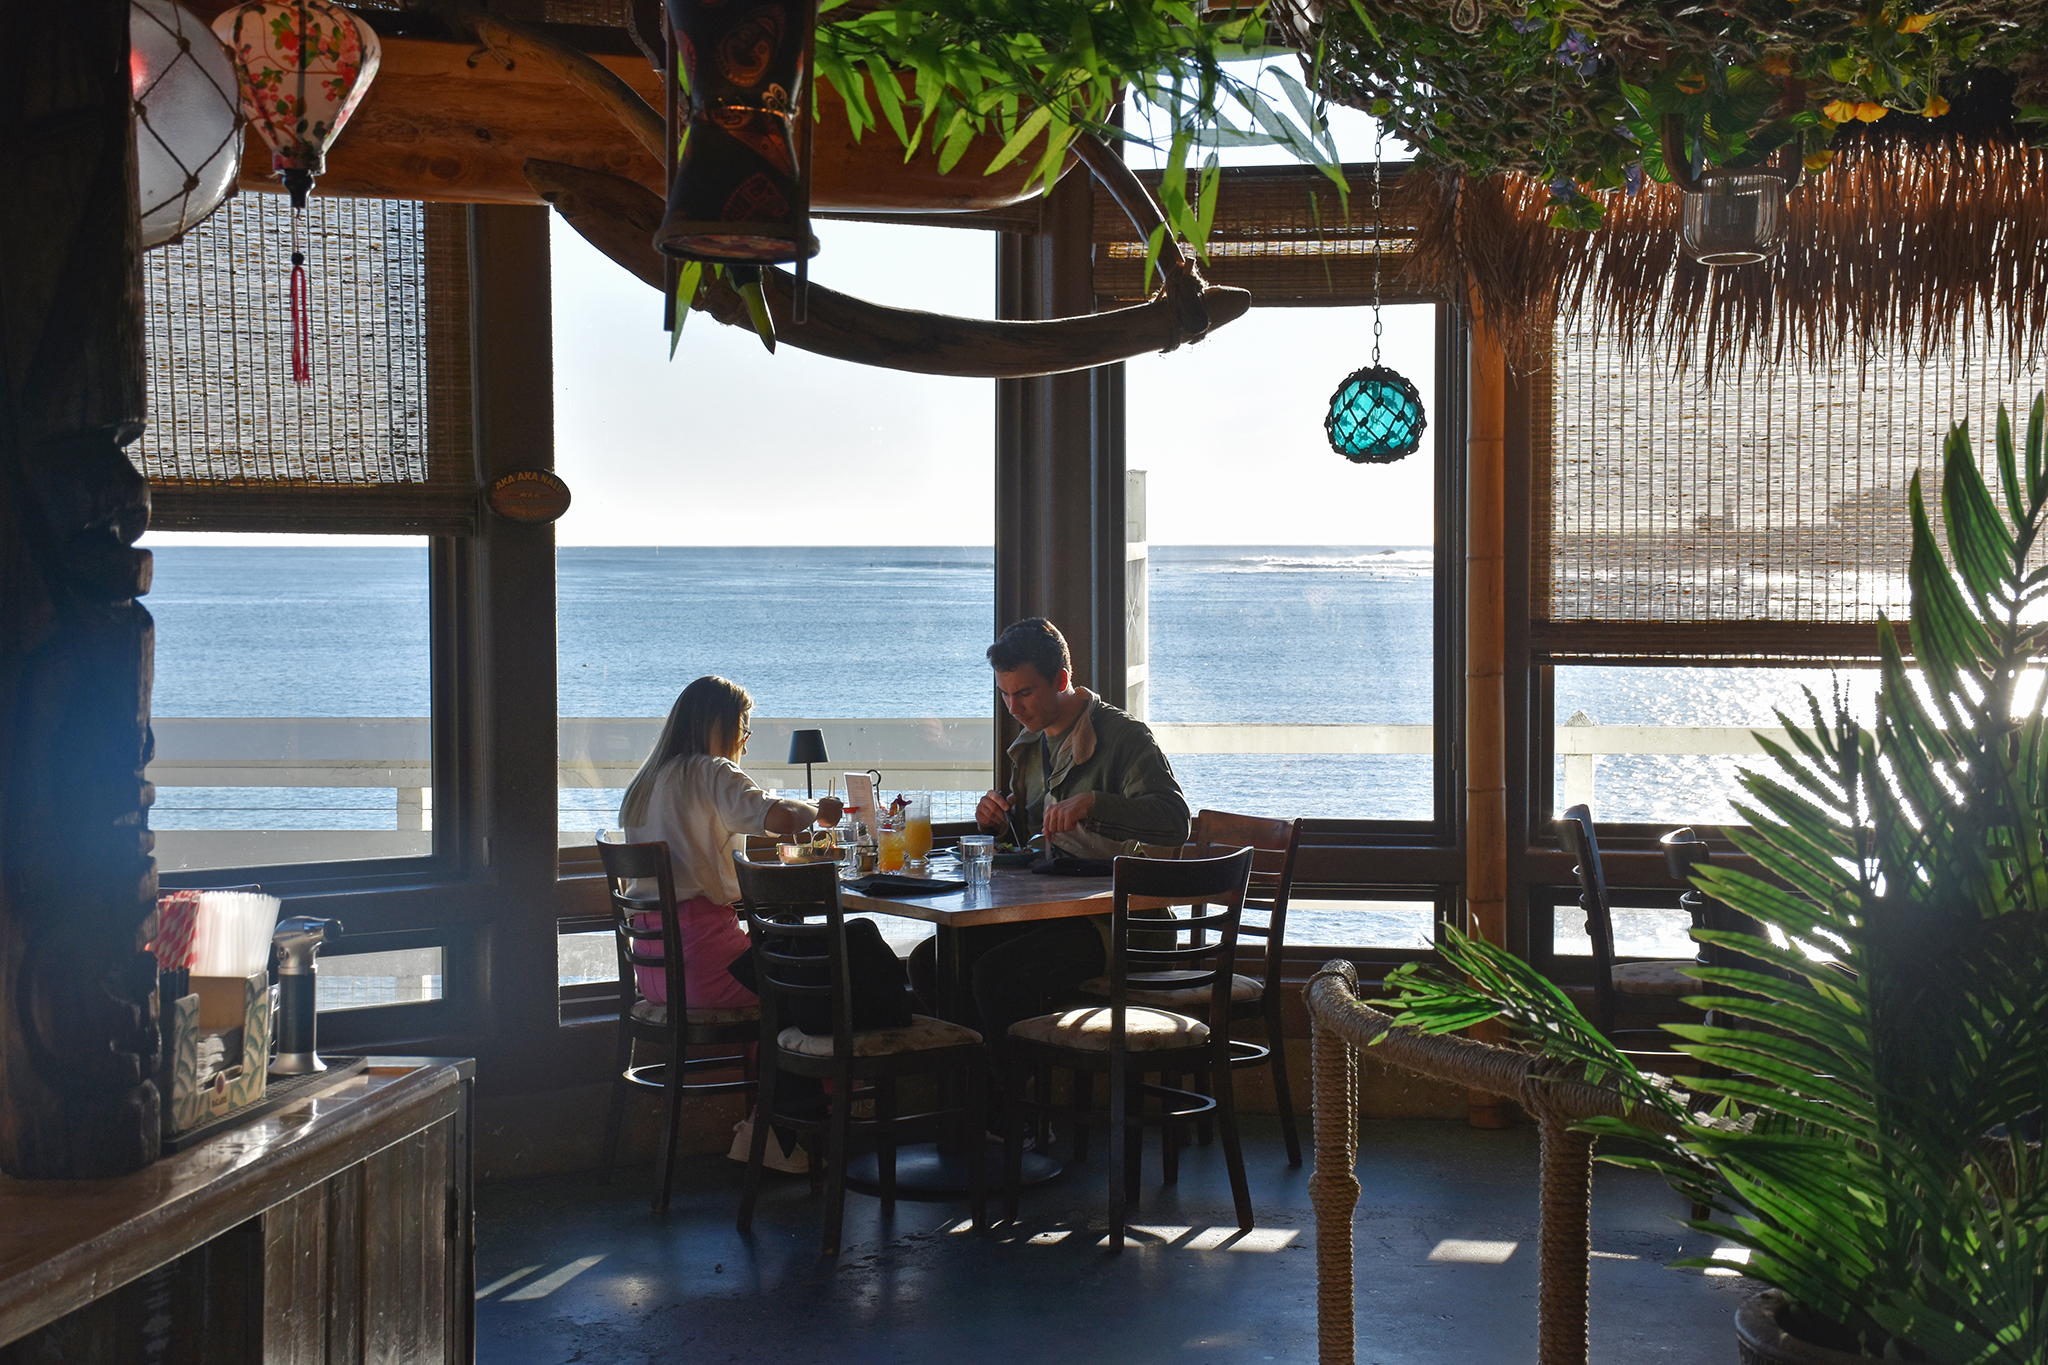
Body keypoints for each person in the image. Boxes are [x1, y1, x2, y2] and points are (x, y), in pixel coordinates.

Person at [922, 618, 1191, 1109]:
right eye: (1005, 695)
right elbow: (1038, 844)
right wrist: (1000, 827)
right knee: (932, 962)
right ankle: (977, 1103)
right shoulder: (1030, 746)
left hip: (1122, 924)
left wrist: (1095, 803)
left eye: (1023, 693)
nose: (1013, 707)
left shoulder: (1126, 737)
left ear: (1062, 681)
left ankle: (1008, 1111)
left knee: (996, 976)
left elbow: (1176, 822)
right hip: (1053, 914)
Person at [618, 675, 842, 1171]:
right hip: (702, 959)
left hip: (656, 970)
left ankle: (769, 1130)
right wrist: (821, 812)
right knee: (811, 991)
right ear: (719, 724)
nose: (745, 737)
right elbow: (777, 816)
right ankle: (785, 1135)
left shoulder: (647, 780)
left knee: (784, 989)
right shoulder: (709, 770)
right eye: (743, 725)